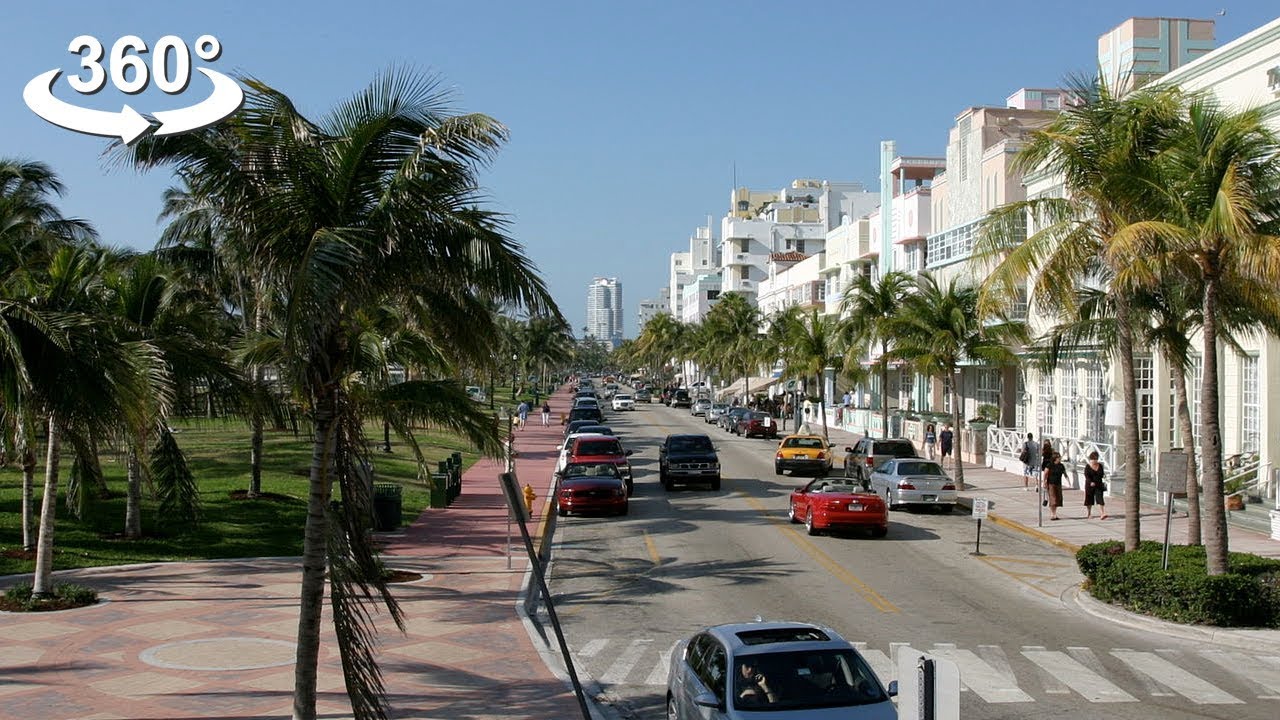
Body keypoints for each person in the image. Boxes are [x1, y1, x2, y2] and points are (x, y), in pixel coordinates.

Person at [1083, 450, 1109, 519]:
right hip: (1090, 485)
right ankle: (1089, 513)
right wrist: (1090, 482)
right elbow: (1086, 476)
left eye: (1096, 459)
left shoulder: (1100, 465)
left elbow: (1102, 474)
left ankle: (1102, 513)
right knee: (1089, 500)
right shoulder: (1087, 467)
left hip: (1098, 484)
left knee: (1100, 498)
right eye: (1093, 459)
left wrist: (1104, 477)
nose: (1094, 461)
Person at [1043, 451, 1066, 520]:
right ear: (1055, 458)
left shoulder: (1061, 465)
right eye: (1059, 457)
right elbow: (1045, 473)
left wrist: (1068, 480)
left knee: (1058, 499)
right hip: (1051, 484)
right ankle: (1053, 514)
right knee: (1053, 499)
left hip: (1058, 484)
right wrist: (1044, 482)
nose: (1060, 458)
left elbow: (1064, 473)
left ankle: (1054, 513)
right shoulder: (1049, 465)